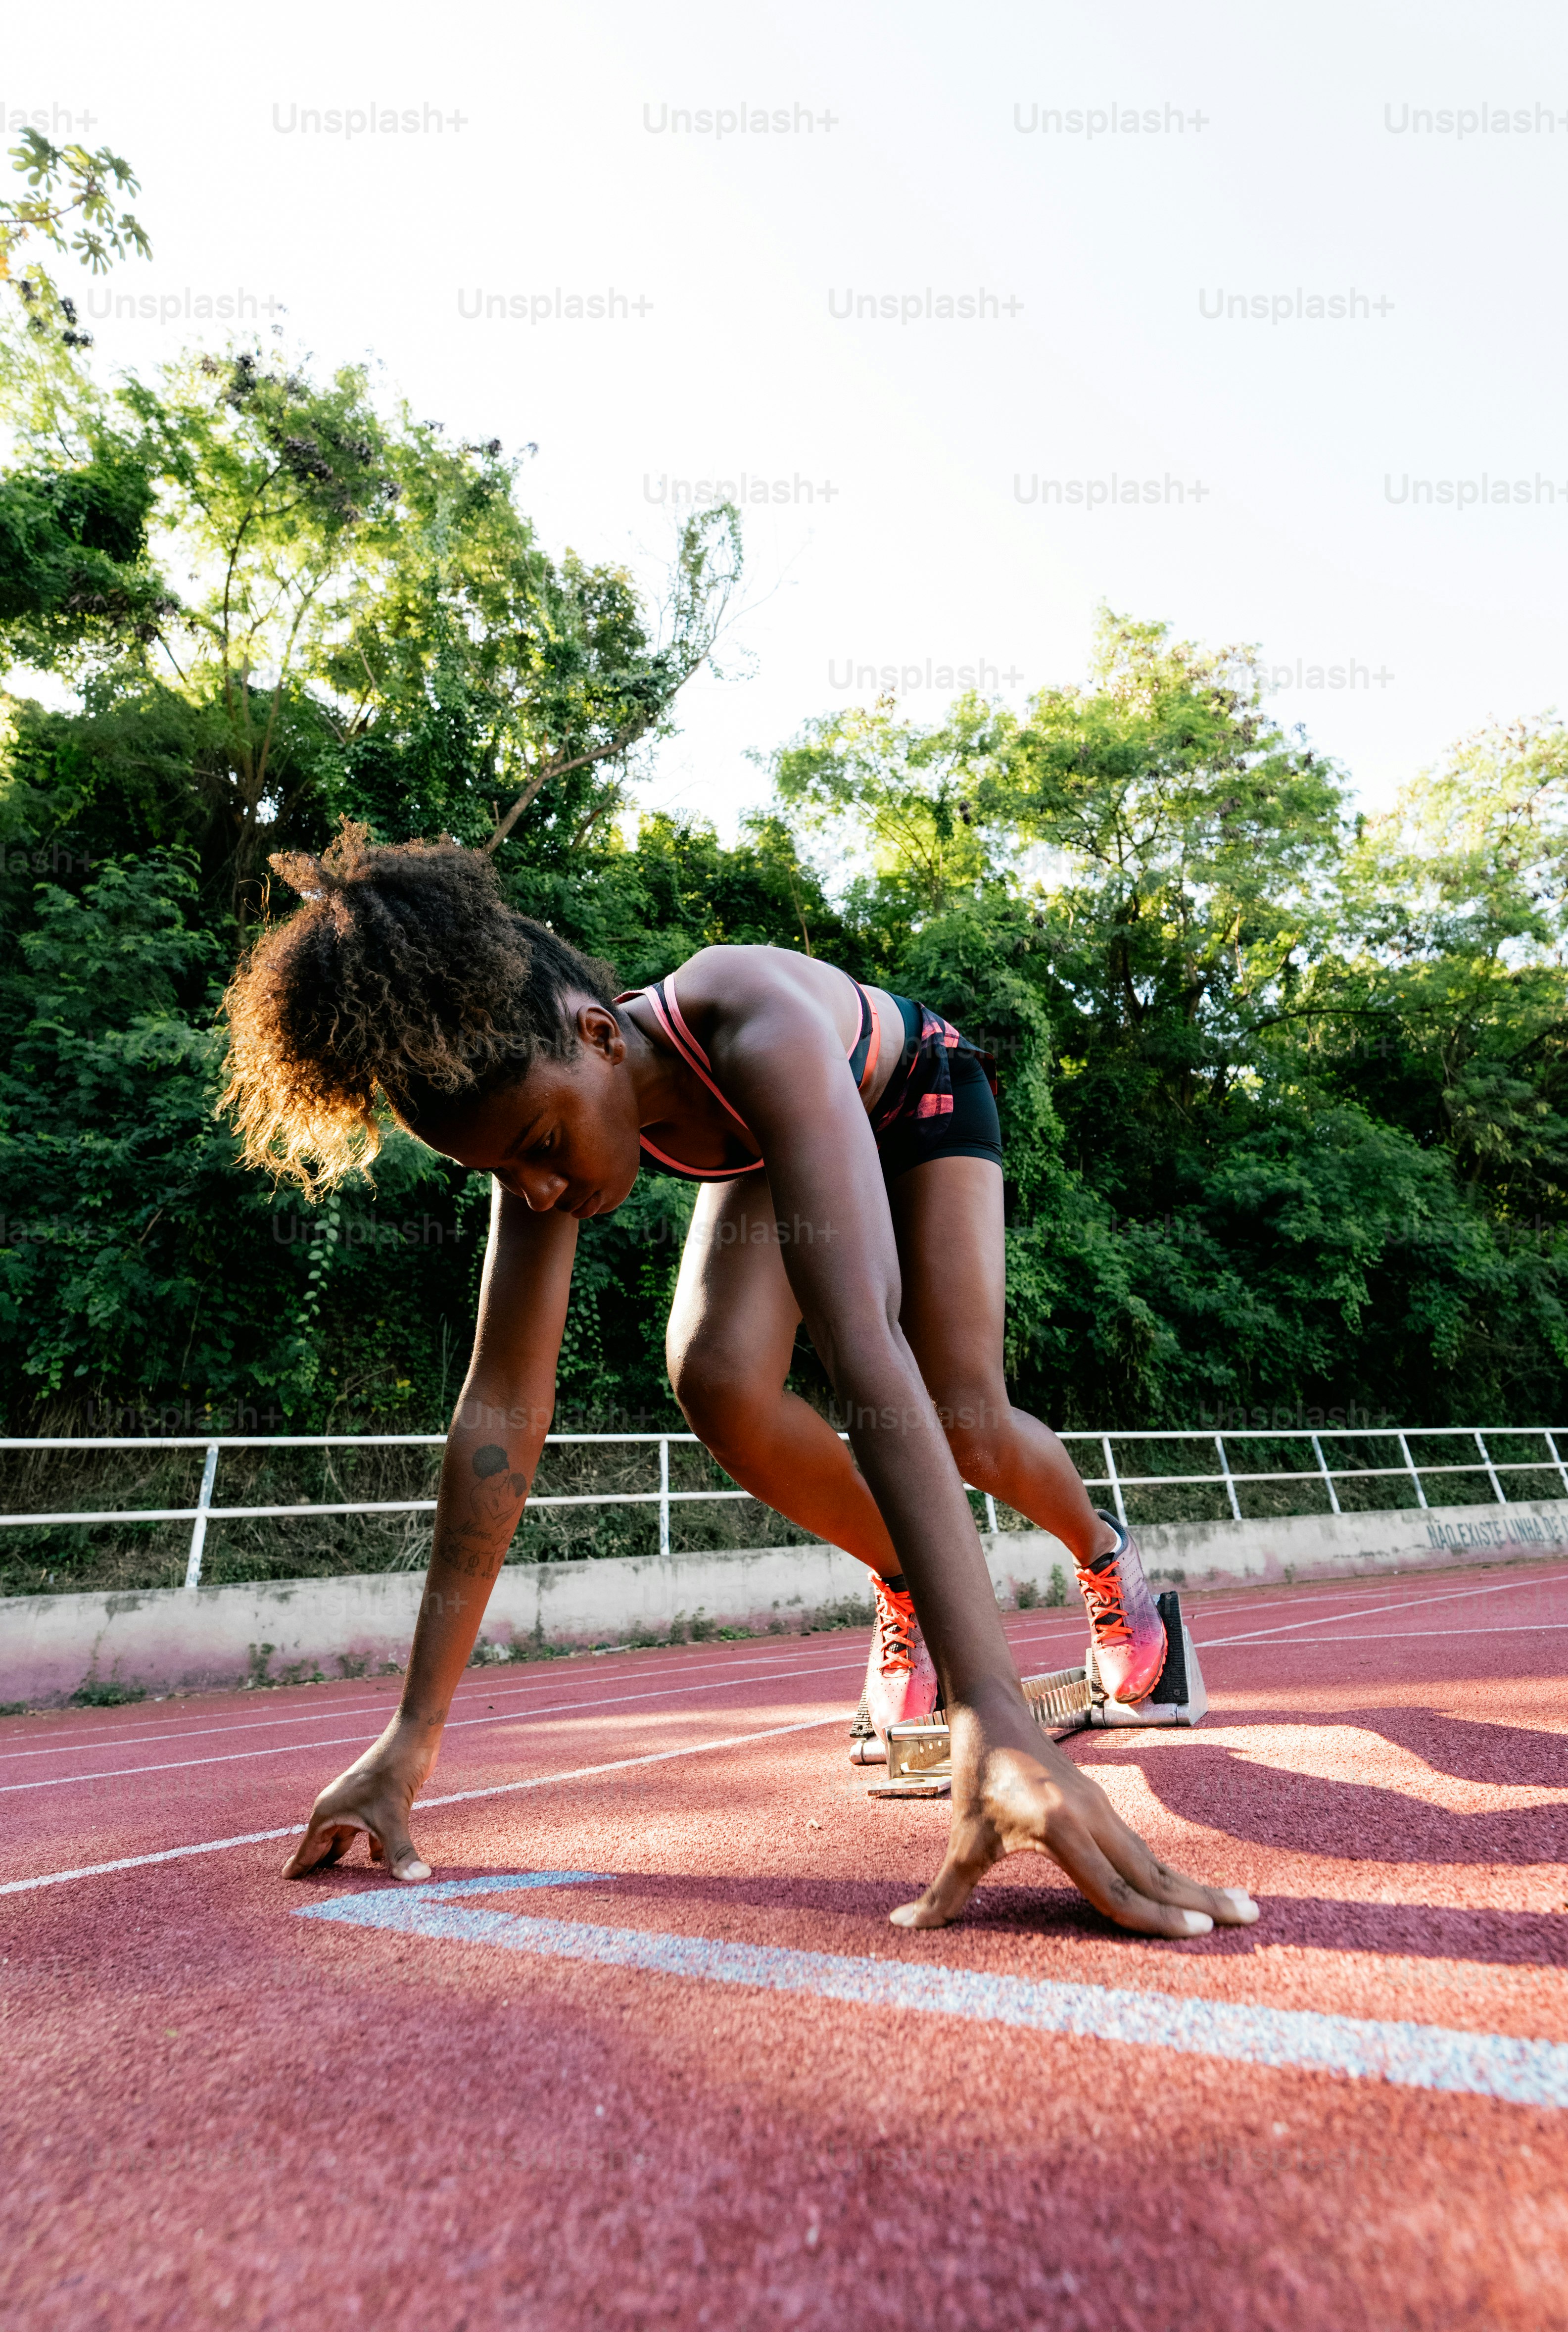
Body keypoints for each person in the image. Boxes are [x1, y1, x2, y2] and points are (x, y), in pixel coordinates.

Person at [223, 829, 1256, 1937]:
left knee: (964, 1420)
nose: (533, 1186)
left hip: (910, 1090)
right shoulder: (531, 1121)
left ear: (598, 1034)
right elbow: (498, 1419)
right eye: (497, 1172)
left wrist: (996, 1720)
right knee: (714, 1377)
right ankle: (907, 1575)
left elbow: (865, 1345)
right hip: (766, 1142)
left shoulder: (750, 1016)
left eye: (538, 1143)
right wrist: (409, 1737)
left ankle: (1107, 1566)